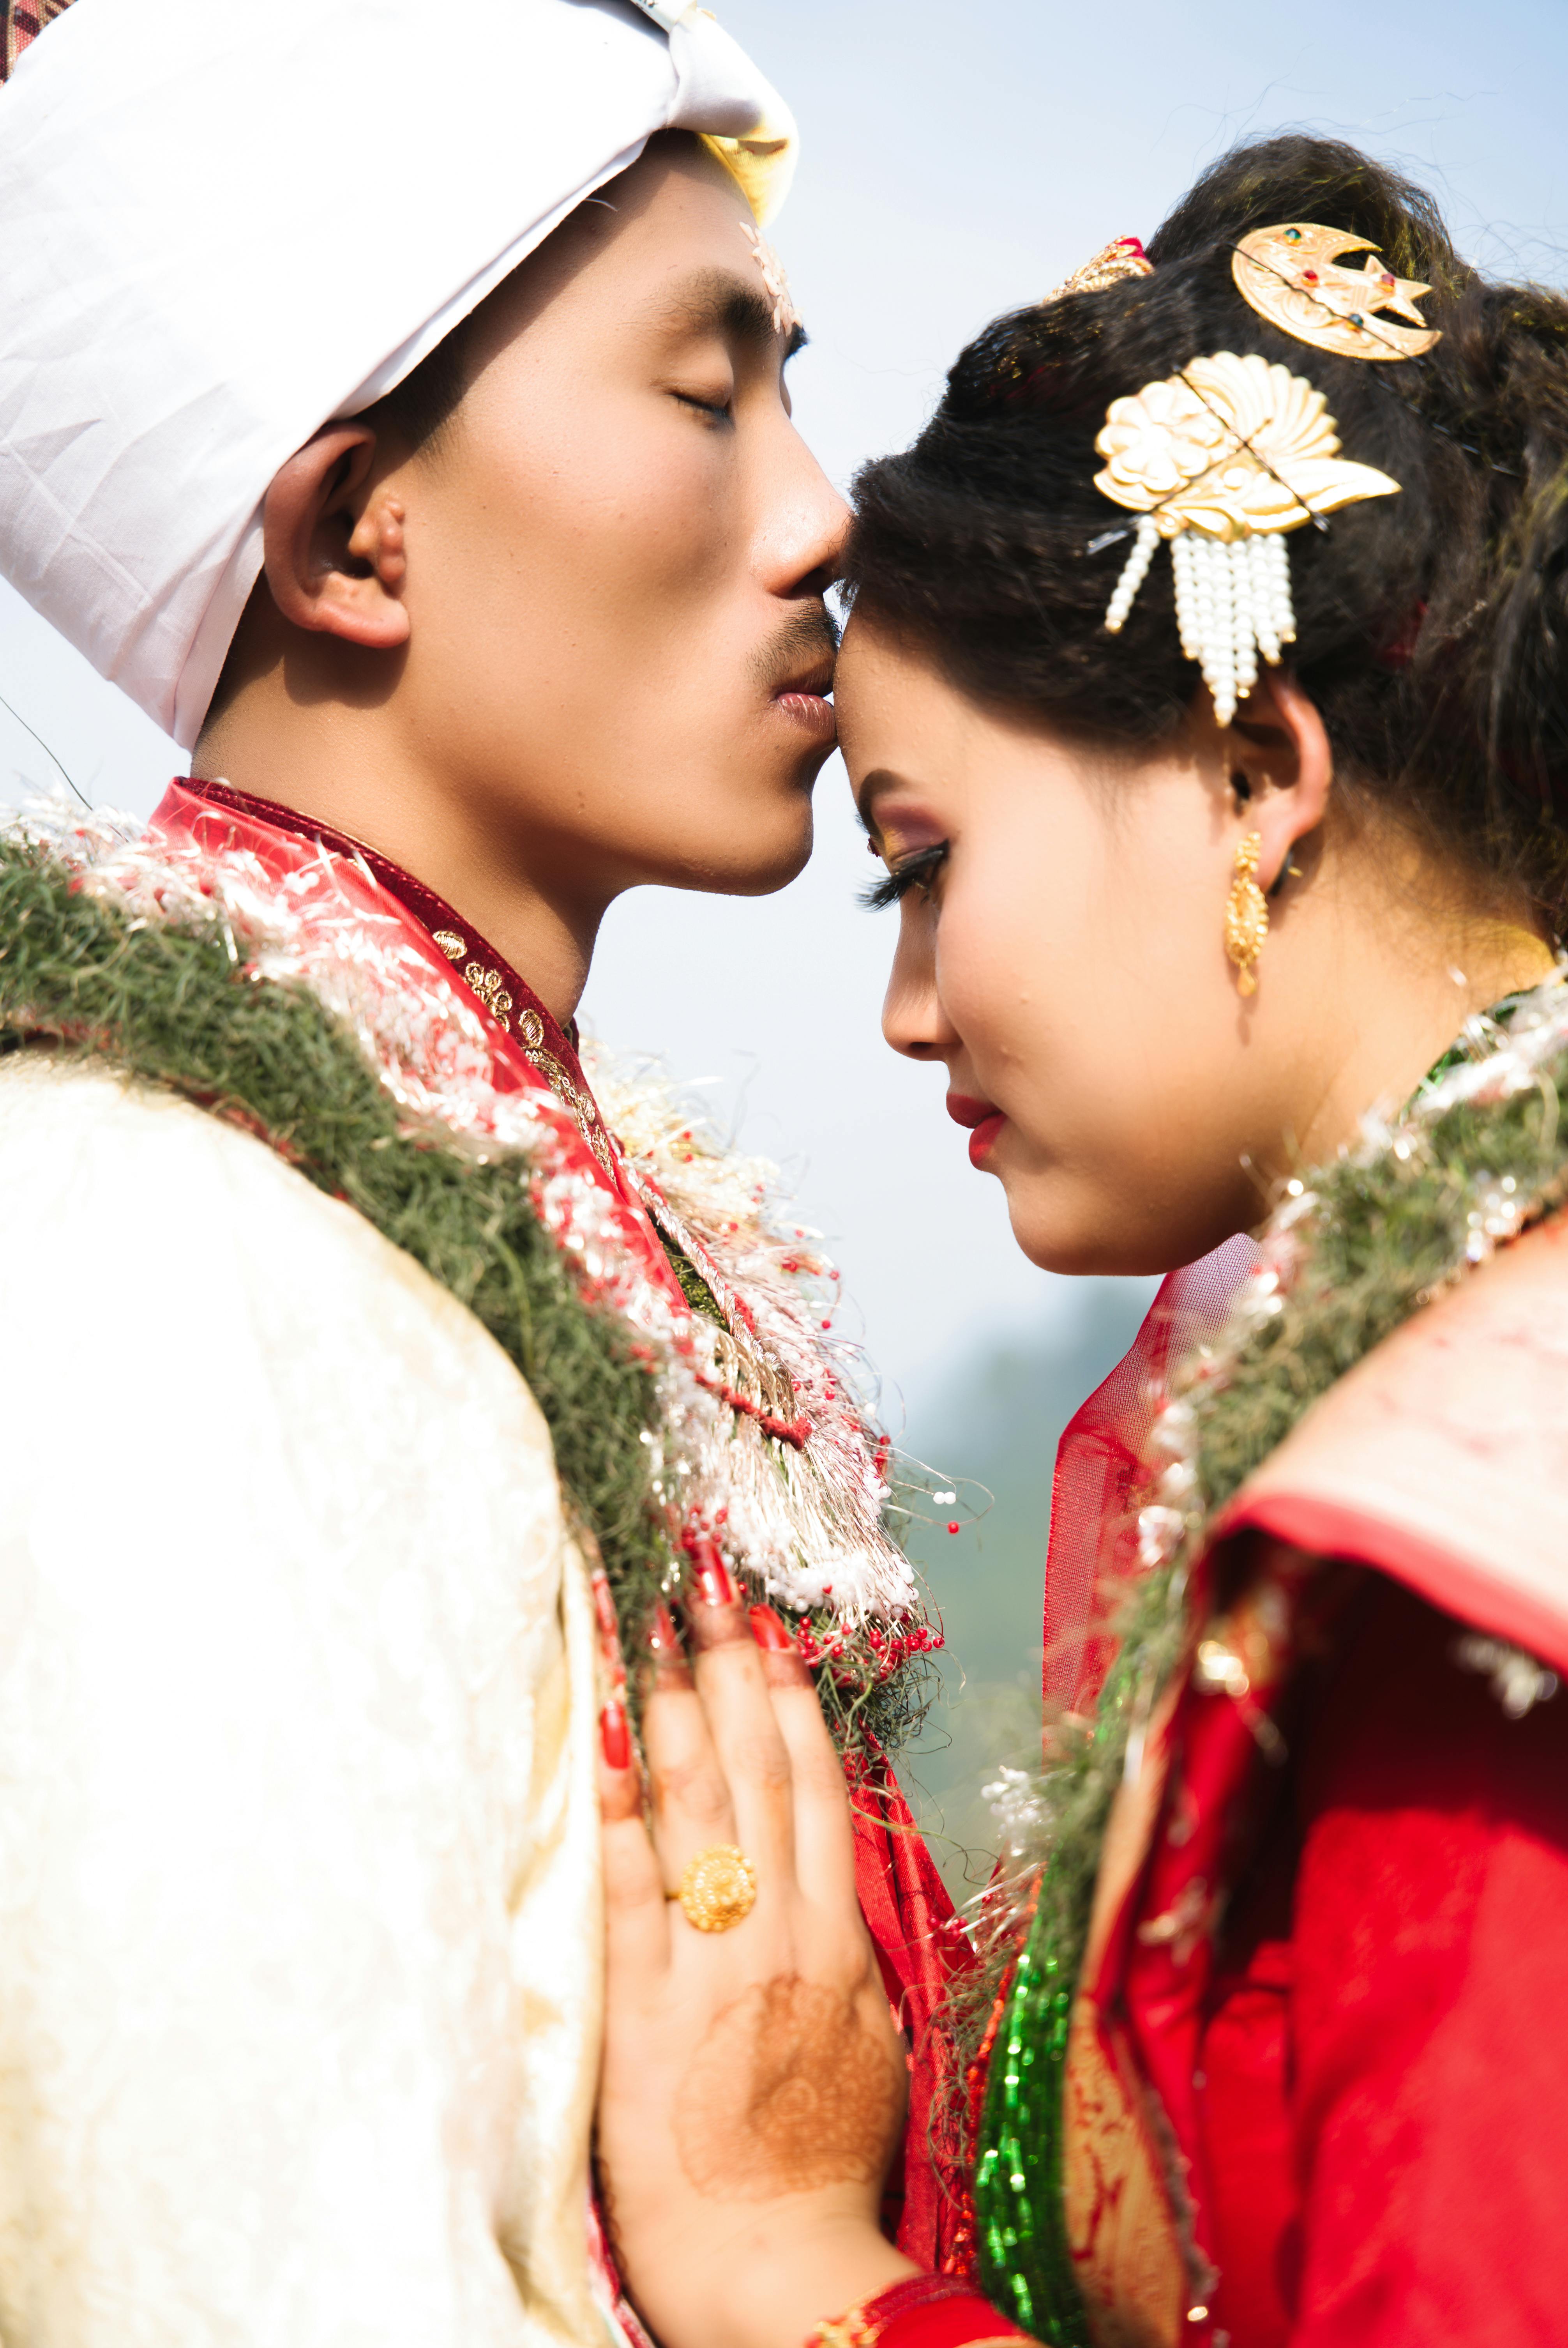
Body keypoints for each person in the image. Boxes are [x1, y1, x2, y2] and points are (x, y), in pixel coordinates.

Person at [0, 1, 961, 2339]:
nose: (826, 510)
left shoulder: (476, 1196)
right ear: (355, 533)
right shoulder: (151, 1241)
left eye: (791, 381)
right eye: (704, 391)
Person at [594, 133, 1568, 2348]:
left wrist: (784, 2264)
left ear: (1251, 777)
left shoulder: (1470, 1538)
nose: (905, 1003)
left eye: (919, 859)